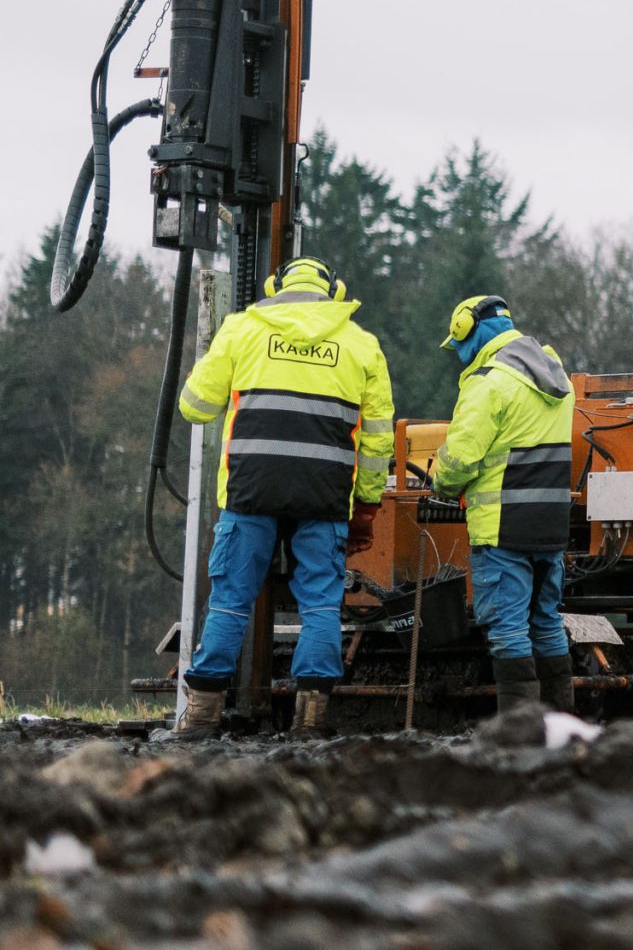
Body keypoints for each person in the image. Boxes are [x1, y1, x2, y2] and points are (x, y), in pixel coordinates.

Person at [172, 256, 395, 736]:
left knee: (230, 600)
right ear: (334, 291)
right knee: (320, 605)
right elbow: (378, 441)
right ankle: (310, 720)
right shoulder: (361, 345)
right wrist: (366, 506)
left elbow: (194, 406)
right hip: (325, 496)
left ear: (276, 287)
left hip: (251, 490)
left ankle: (202, 716)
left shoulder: (242, 329)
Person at [431, 295, 577, 717]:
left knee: (507, 629)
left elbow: (459, 461)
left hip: (502, 529)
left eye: (459, 342)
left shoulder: (489, 383)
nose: (459, 353)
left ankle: (520, 730)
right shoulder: (556, 377)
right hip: (550, 528)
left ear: (470, 330)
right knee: (546, 623)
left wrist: (440, 481)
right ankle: (561, 723)